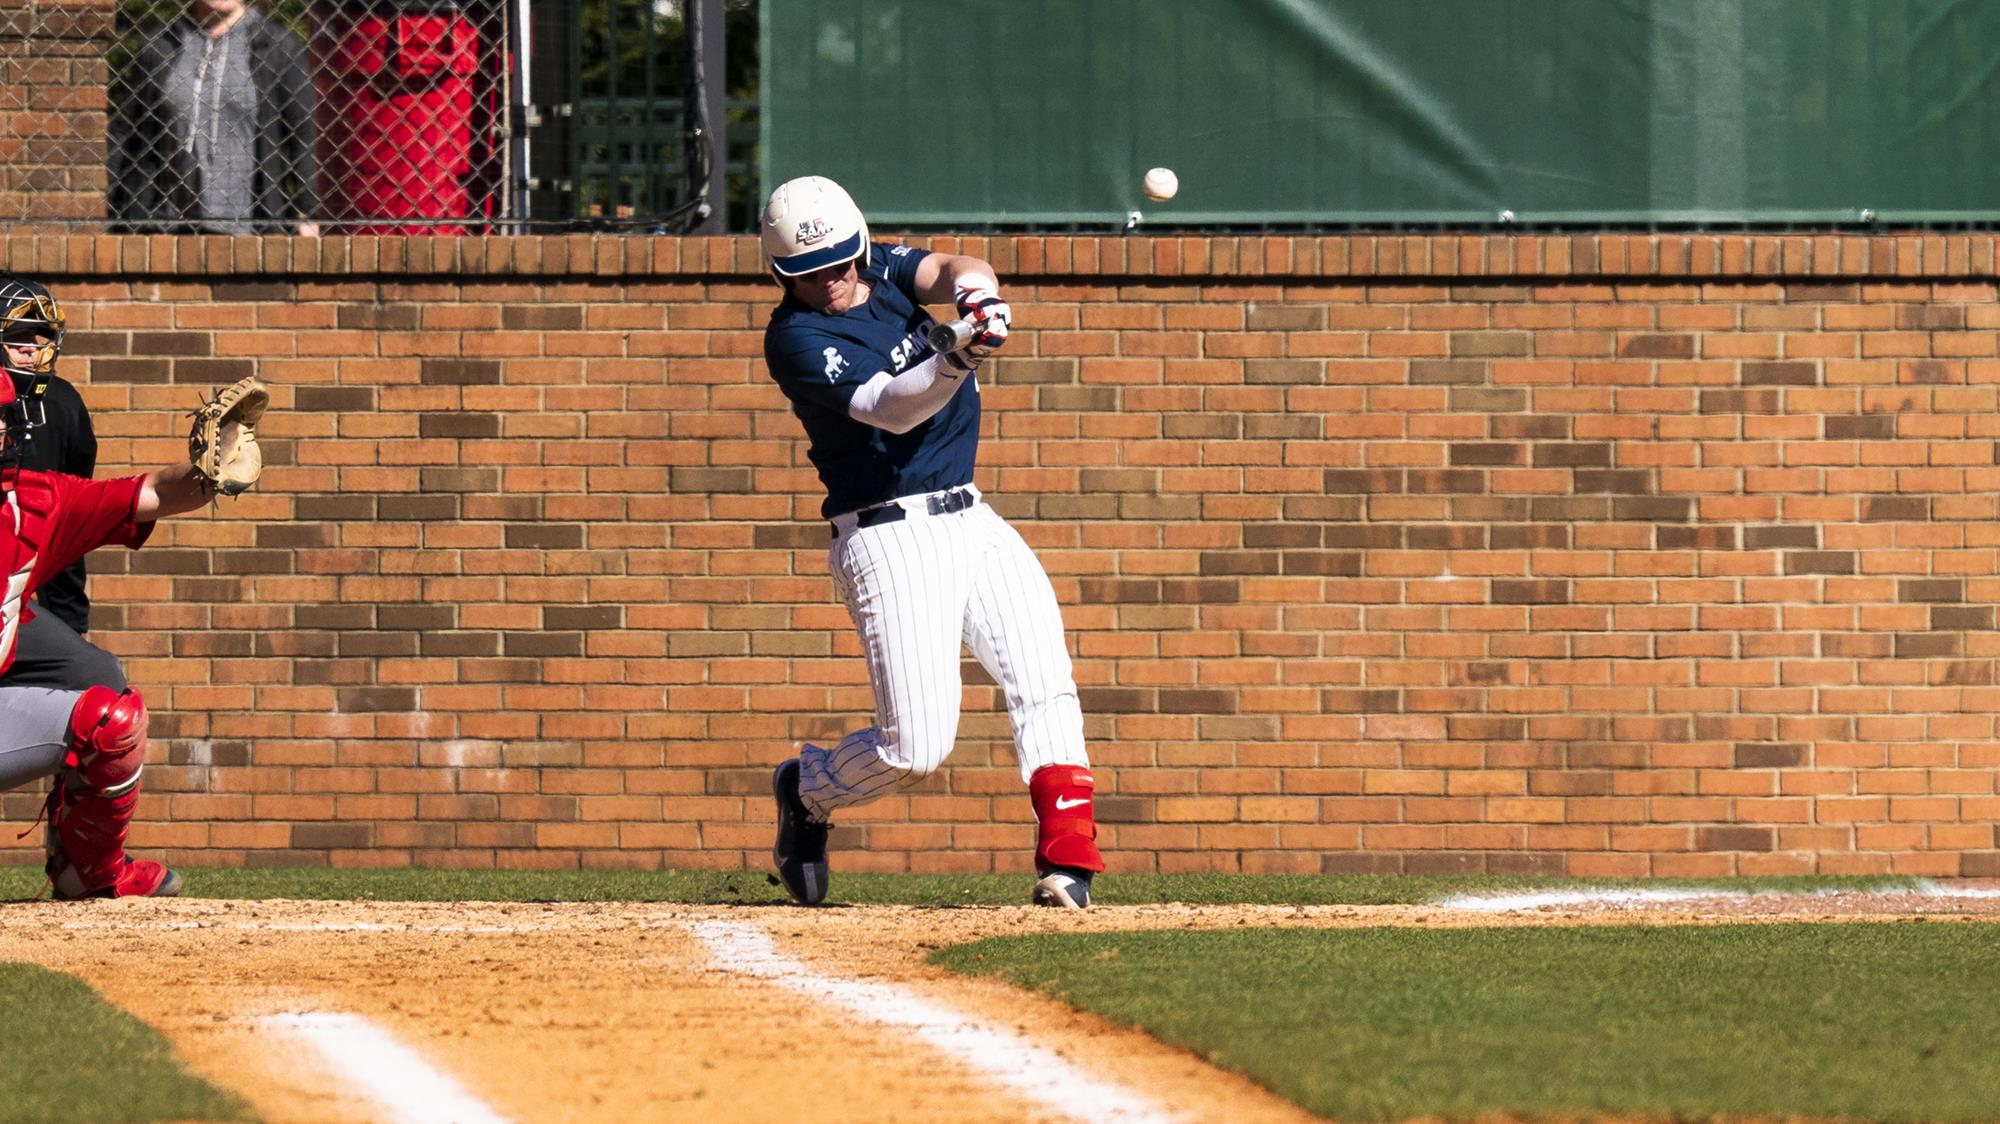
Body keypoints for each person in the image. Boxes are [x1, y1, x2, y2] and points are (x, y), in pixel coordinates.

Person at [759, 175, 1106, 909]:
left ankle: (1068, 859)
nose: (836, 281)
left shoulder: (876, 267)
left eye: (844, 262)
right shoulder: (796, 337)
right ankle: (809, 788)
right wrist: (956, 358)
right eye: (813, 273)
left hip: (970, 515)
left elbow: (955, 267)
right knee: (916, 749)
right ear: (786, 275)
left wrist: (978, 301)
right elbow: (889, 410)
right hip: (887, 535)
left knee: (1042, 674)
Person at [0, 283, 251, 899]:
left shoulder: (32, 499)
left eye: (1, 415)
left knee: (110, 714)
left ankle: (88, 871)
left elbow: (149, 494)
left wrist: (209, 473)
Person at [0, 278, 130, 696]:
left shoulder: (61, 406)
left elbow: (67, 524)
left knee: (96, 685)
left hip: (20, 597)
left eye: (38, 337)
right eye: (16, 336)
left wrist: (71, 625)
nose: (31, 348)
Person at [107, 0, 320, 235]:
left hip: (250, 226)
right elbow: (125, 130)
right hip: (164, 226)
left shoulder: (278, 46)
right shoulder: (162, 42)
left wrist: (307, 209)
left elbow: (304, 133)